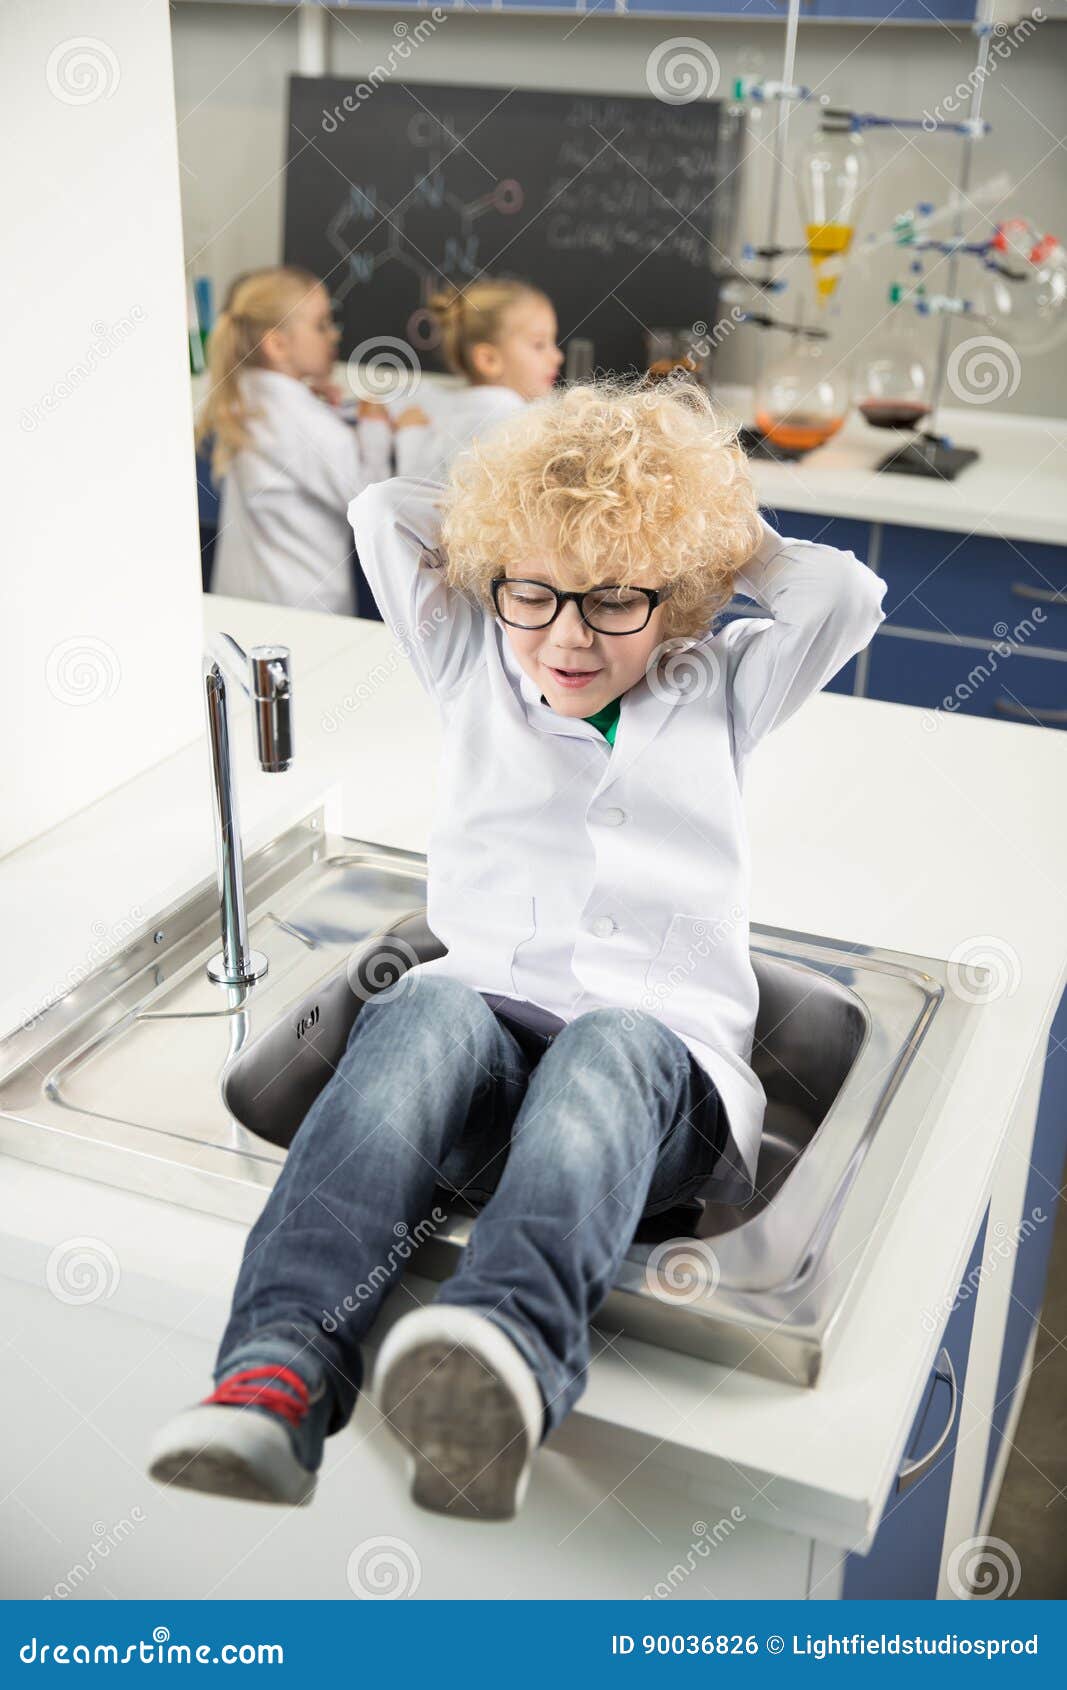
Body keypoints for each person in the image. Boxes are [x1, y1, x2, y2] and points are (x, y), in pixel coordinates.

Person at [148, 376, 887, 1521]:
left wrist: (712, 534)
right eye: (532, 596)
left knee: (607, 1038)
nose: (566, 637)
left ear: (682, 595)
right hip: (488, 1098)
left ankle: (501, 1357)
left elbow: (838, 591)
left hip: (656, 1097)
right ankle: (276, 1374)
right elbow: (380, 516)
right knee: (427, 1008)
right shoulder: (472, 665)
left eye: (613, 601)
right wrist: (534, 513)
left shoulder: (721, 686)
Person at [197, 266, 404, 616]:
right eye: (321, 325)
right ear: (277, 344)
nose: (333, 335)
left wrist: (314, 403)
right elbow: (373, 506)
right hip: (306, 612)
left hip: (242, 604)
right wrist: (375, 428)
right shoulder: (306, 422)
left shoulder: (244, 396)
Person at [392, 278, 563, 480]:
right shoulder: (517, 426)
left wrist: (412, 435)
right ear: (488, 359)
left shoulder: (446, 413)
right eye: (539, 344)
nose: (558, 356)